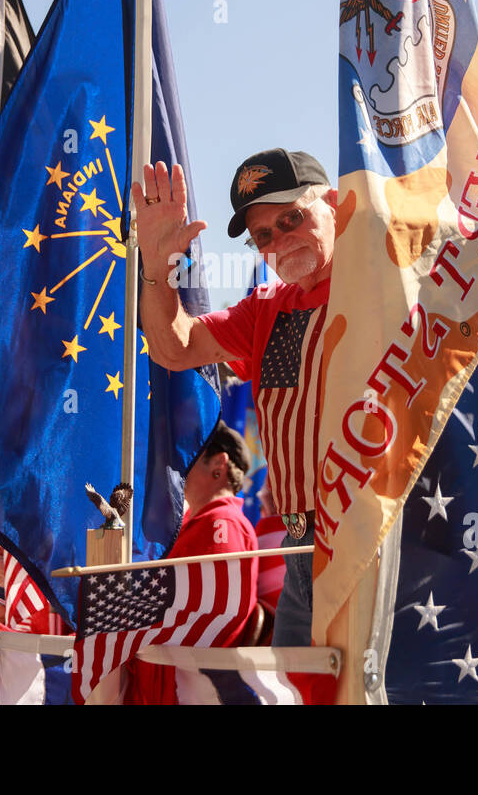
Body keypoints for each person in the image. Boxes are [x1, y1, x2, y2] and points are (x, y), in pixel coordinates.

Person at [132, 147, 336, 647]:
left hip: (377, 536)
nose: (280, 240)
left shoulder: (383, 282)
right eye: (262, 235)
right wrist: (158, 265)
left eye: (292, 217)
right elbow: (172, 347)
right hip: (301, 545)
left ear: (335, 204)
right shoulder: (265, 309)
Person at [124, 422, 258, 704]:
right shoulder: (203, 523)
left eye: (189, 457)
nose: (179, 468)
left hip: (187, 684)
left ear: (219, 465)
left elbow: (211, 616)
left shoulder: (223, 523)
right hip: (171, 676)